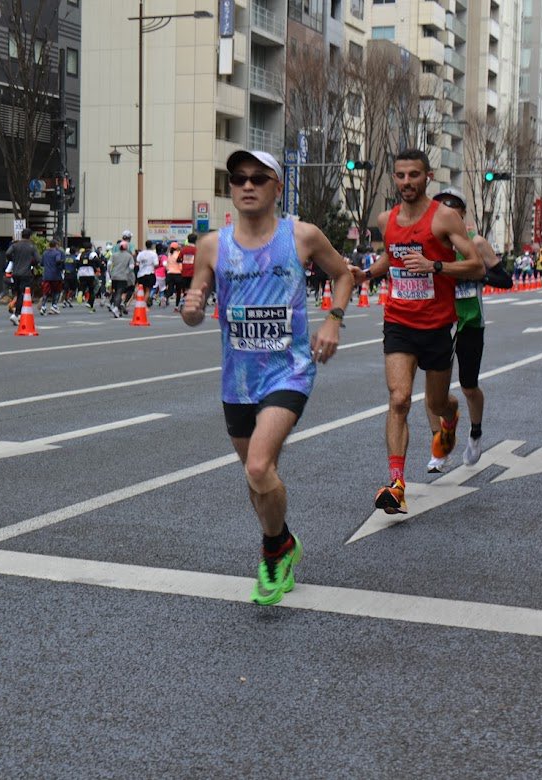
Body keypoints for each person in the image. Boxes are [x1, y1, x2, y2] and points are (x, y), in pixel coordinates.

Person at [181, 149, 353, 605]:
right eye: (238, 178)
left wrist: (333, 320)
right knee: (257, 478)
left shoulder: (301, 236)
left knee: (259, 466)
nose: (248, 185)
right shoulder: (212, 246)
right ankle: (282, 542)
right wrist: (192, 309)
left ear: (278, 186)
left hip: (289, 371)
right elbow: (194, 306)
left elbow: (343, 276)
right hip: (237, 379)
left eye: (259, 177)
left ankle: (272, 552)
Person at [357, 149, 484, 514]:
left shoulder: (443, 218)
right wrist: (367, 274)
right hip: (399, 322)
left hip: (437, 325)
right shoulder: (387, 218)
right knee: (399, 399)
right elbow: (391, 256)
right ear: (394, 178)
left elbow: (475, 266)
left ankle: (451, 414)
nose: (406, 182)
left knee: (436, 403)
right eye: (400, 175)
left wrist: (435, 265)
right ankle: (396, 483)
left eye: (414, 175)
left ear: (427, 177)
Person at [425, 188, 512, 470]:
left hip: (470, 322)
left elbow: (505, 280)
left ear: (461, 215)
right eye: (440, 209)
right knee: (433, 393)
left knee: (468, 385)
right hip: (438, 320)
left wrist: (474, 273)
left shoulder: (476, 242)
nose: (446, 214)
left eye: (452, 209)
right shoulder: (428, 242)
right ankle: (441, 446)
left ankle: (475, 433)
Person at [7, 227, 41, 326]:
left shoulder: (15, 245)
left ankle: (18, 313)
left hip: (15, 273)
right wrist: (32, 262)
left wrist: (13, 259)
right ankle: (17, 314)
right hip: (26, 273)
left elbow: (8, 253)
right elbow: (38, 259)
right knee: (23, 294)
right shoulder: (32, 246)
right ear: (30, 236)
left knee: (18, 293)